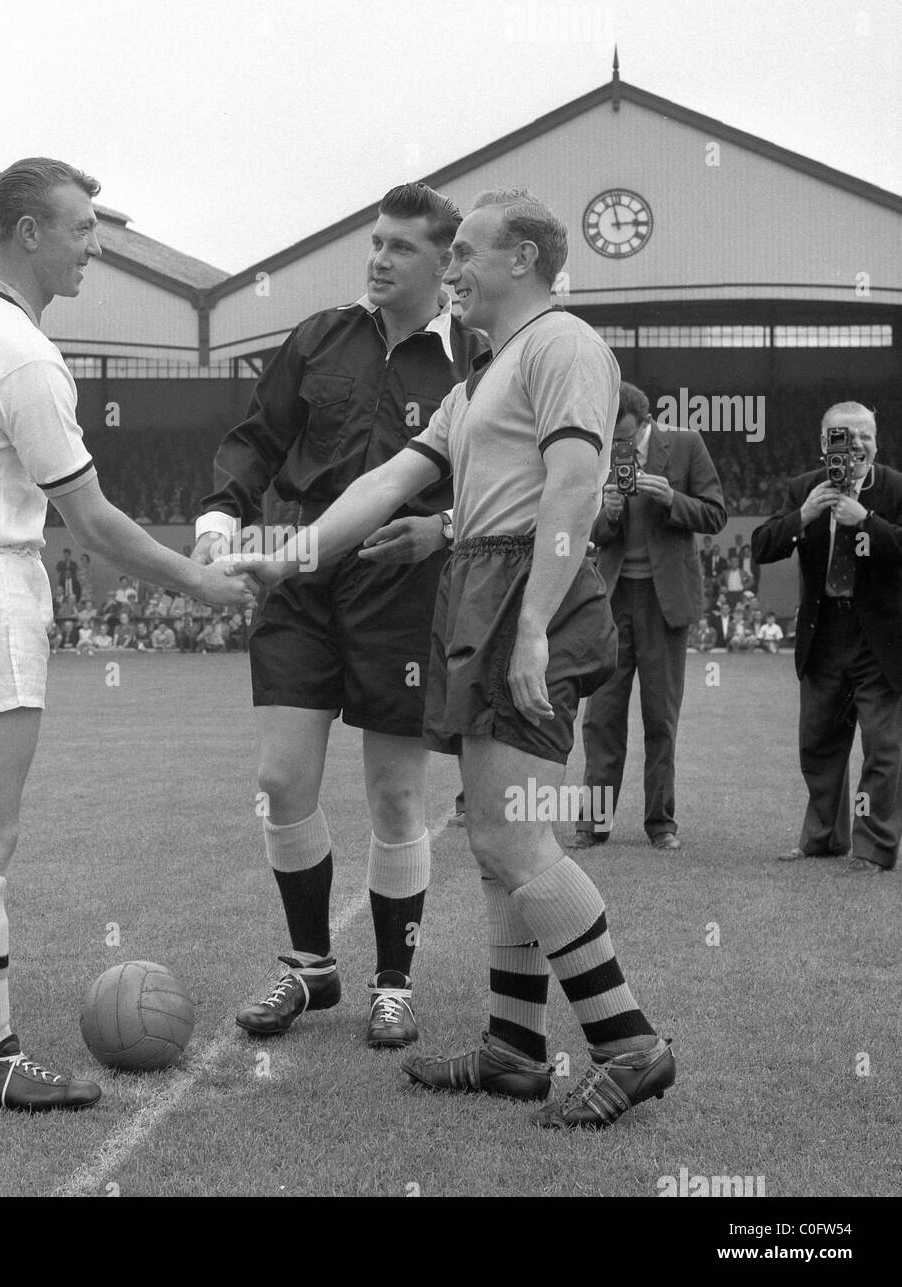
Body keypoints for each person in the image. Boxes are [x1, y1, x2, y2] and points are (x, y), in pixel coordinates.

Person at [233, 188, 674, 1129]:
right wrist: (293, 558)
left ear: (523, 258)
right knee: (488, 835)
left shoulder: (564, 345)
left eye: (466, 252)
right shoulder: (482, 376)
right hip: (480, 588)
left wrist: (533, 624)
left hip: (525, 594)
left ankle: (628, 1042)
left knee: (514, 833)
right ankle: (516, 1047)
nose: (454, 269)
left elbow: (574, 483)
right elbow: (391, 479)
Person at [0, 156, 254, 1113]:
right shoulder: (23, 350)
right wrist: (197, 580)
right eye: (80, 228)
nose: (95, 246)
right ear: (27, 231)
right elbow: (96, 523)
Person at [195, 183, 487, 1049]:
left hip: (406, 590)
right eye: (375, 242)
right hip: (301, 576)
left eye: (400, 247)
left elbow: (512, 475)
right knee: (281, 781)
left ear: (445, 264)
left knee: (396, 794)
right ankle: (308, 965)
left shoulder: (477, 355)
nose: (379, 259)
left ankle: (393, 981)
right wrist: (220, 517)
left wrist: (440, 530)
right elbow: (256, 438)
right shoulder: (320, 336)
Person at [568, 383, 726, 852]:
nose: (618, 445)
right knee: (602, 717)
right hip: (611, 601)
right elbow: (586, 531)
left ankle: (661, 824)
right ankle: (593, 825)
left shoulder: (686, 445)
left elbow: (716, 514)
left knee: (661, 716)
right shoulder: (595, 451)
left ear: (646, 421)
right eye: (612, 438)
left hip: (663, 602)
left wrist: (669, 498)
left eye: (624, 436)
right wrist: (608, 515)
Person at [752, 402, 902, 874]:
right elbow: (762, 545)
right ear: (824, 443)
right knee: (818, 745)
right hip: (823, 635)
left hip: (879, 639)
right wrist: (802, 515)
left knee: (882, 746)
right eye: (843, 436)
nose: (854, 444)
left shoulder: (896, 488)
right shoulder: (803, 488)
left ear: (876, 440)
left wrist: (867, 523)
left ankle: (873, 848)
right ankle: (823, 838)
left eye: (864, 436)